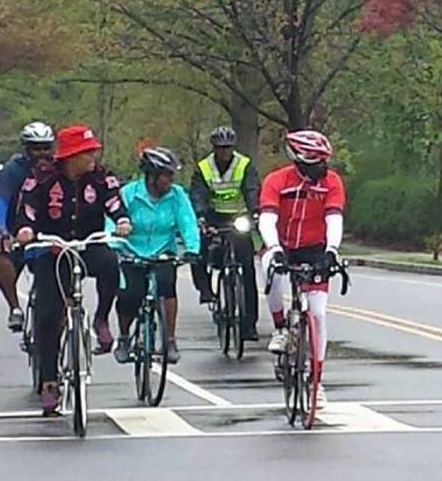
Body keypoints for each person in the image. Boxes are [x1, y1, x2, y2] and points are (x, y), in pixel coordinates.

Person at [14, 124, 132, 415]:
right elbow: (27, 206)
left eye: (93, 152)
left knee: (110, 264)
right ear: (71, 156)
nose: (92, 157)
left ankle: (101, 319)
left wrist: (122, 220)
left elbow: (114, 202)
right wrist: (26, 228)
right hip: (53, 248)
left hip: (88, 243)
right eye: (86, 152)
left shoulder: (101, 177)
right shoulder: (42, 176)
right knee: (48, 312)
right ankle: (49, 381)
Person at [259, 130, 345, 406]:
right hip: (283, 244)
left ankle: (316, 381)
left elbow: (334, 218)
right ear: (300, 160)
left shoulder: (332, 182)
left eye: (324, 161)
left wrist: (331, 250)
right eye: (317, 162)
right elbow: (267, 219)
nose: (323, 168)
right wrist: (274, 248)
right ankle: (280, 327)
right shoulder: (276, 180)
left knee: (318, 314)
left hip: (315, 247)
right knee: (269, 267)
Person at [110, 147, 200, 366]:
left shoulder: (177, 195)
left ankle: (170, 340)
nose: (170, 180)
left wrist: (192, 249)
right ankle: (124, 337)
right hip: (131, 251)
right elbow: (111, 221)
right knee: (130, 295)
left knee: (167, 286)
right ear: (151, 176)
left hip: (163, 252)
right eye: (166, 175)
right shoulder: (129, 193)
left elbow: (188, 222)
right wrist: (114, 244)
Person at [189, 125, 261, 341]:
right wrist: (201, 216)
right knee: (198, 250)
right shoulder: (204, 167)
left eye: (228, 148)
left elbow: (252, 189)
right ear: (214, 148)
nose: (224, 152)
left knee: (247, 269)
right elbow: (198, 193)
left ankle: (249, 325)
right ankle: (205, 290)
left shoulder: (244, 165)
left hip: (239, 218)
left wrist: (255, 211)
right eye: (220, 148)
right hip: (214, 216)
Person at [0, 122, 55, 332]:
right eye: (36, 148)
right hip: (16, 230)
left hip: (49, 231)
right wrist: (2, 229)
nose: (42, 153)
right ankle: (15, 307)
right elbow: (0, 200)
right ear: (26, 149)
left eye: (46, 148)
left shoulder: (59, 167)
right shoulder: (12, 170)